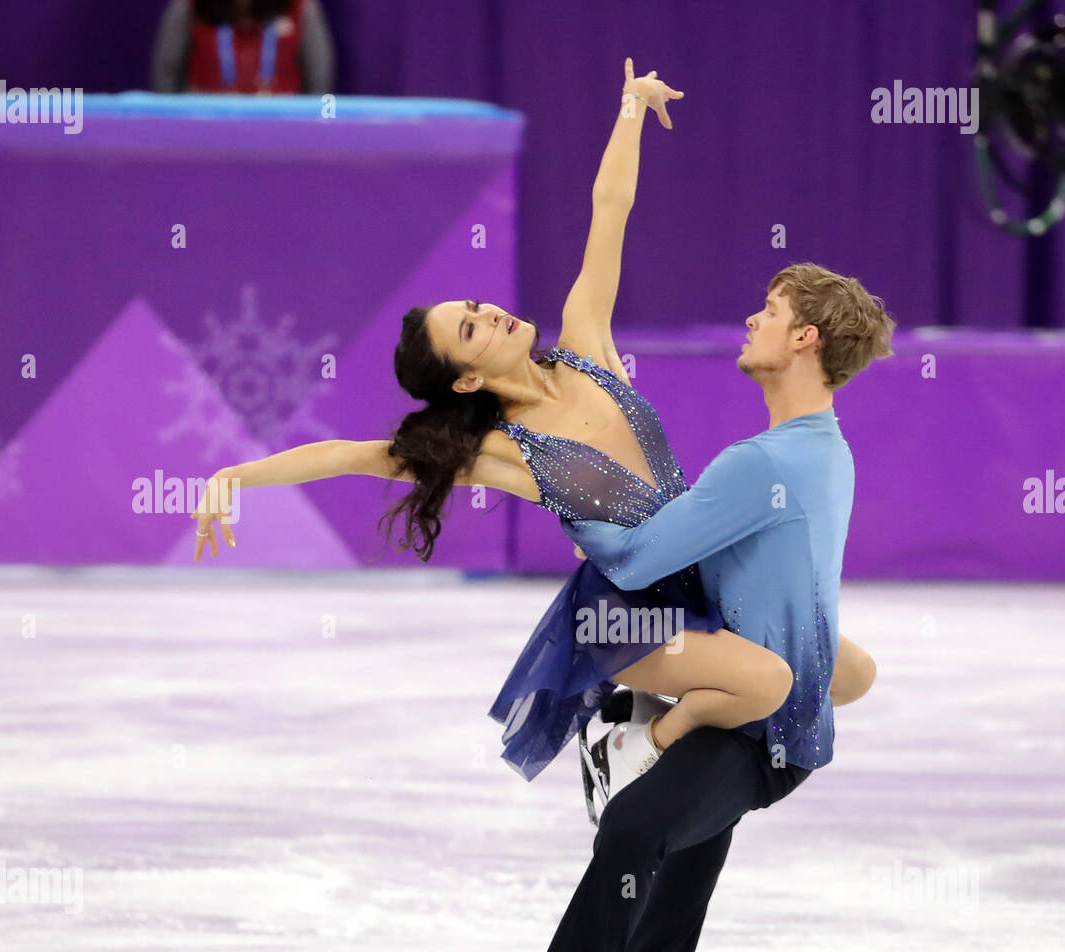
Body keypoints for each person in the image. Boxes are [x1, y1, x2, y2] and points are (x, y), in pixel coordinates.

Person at [191, 63, 877, 781]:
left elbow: (609, 209)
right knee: (767, 683)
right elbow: (355, 454)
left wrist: (632, 106)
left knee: (851, 673)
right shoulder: (499, 450)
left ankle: (668, 706)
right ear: (466, 378)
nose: (487, 312)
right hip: (621, 622)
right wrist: (234, 474)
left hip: (696, 586)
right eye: (469, 329)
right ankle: (630, 746)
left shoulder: (587, 348)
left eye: (475, 306)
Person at [503, 262, 894, 952]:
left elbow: (640, 558)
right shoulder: (826, 446)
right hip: (779, 705)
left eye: (771, 310)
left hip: (767, 728)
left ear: (806, 339)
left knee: (641, 825)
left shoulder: (760, 464)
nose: (751, 317)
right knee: (691, 828)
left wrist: (570, 504)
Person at [151, 0, 335, 95]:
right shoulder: (191, 6)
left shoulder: (300, 6)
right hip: (206, 126)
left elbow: (319, 82)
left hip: (281, 127)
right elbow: (165, 75)